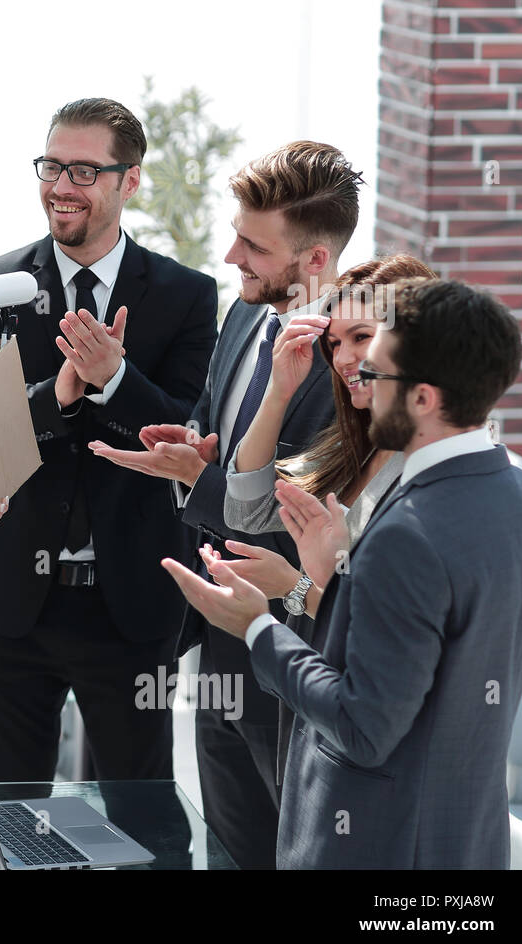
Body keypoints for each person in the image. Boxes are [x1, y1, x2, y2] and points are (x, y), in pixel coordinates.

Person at [164, 278, 522, 868]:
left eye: (376, 374)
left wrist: (257, 626)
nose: (357, 383)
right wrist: (334, 583)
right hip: (467, 844)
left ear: (422, 398)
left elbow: (363, 725)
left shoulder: (407, 533)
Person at [93, 141, 361, 868]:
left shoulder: (357, 363)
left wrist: (200, 479)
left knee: (291, 846)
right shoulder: (243, 315)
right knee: (230, 847)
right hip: (222, 633)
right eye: (236, 231)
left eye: (253, 244)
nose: (231, 253)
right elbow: (219, 424)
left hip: (294, 642)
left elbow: (295, 506)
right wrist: (193, 451)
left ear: (313, 262)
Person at [0, 97, 218, 786]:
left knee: (144, 823)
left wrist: (116, 379)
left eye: (83, 170)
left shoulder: (187, 296)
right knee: (6, 820)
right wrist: (62, 394)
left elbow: (188, 438)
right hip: (8, 601)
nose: (60, 186)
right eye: (51, 165)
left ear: (130, 182)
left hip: (130, 607)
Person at [208, 253, 438, 792]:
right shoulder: (354, 443)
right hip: (319, 715)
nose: (344, 357)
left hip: (372, 745)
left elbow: (385, 628)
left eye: (361, 336)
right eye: (335, 343)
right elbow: (245, 509)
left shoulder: (426, 469)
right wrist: (279, 390)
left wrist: (292, 588)